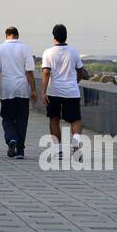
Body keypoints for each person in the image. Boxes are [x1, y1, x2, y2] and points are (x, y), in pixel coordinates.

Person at [0, 27, 38, 159]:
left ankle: (12, 138)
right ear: (17, 35)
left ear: (6, 35)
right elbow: (29, 72)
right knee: (22, 119)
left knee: (7, 117)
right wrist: (33, 90)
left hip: (7, 89)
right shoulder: (25, 48)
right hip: (22, 88)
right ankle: (20, 151)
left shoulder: (0, 48)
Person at [42, 25, 88, 156]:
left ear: (54, 36)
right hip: (72, 92)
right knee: (76, 119)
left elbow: (46, 73)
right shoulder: (74, 52)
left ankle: (59, 150)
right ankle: (76, 140)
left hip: (54, 92)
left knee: (54, 119)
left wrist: (43, 92)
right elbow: (80, 71)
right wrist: (75, 82)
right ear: (66, 36)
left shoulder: (48, 52)